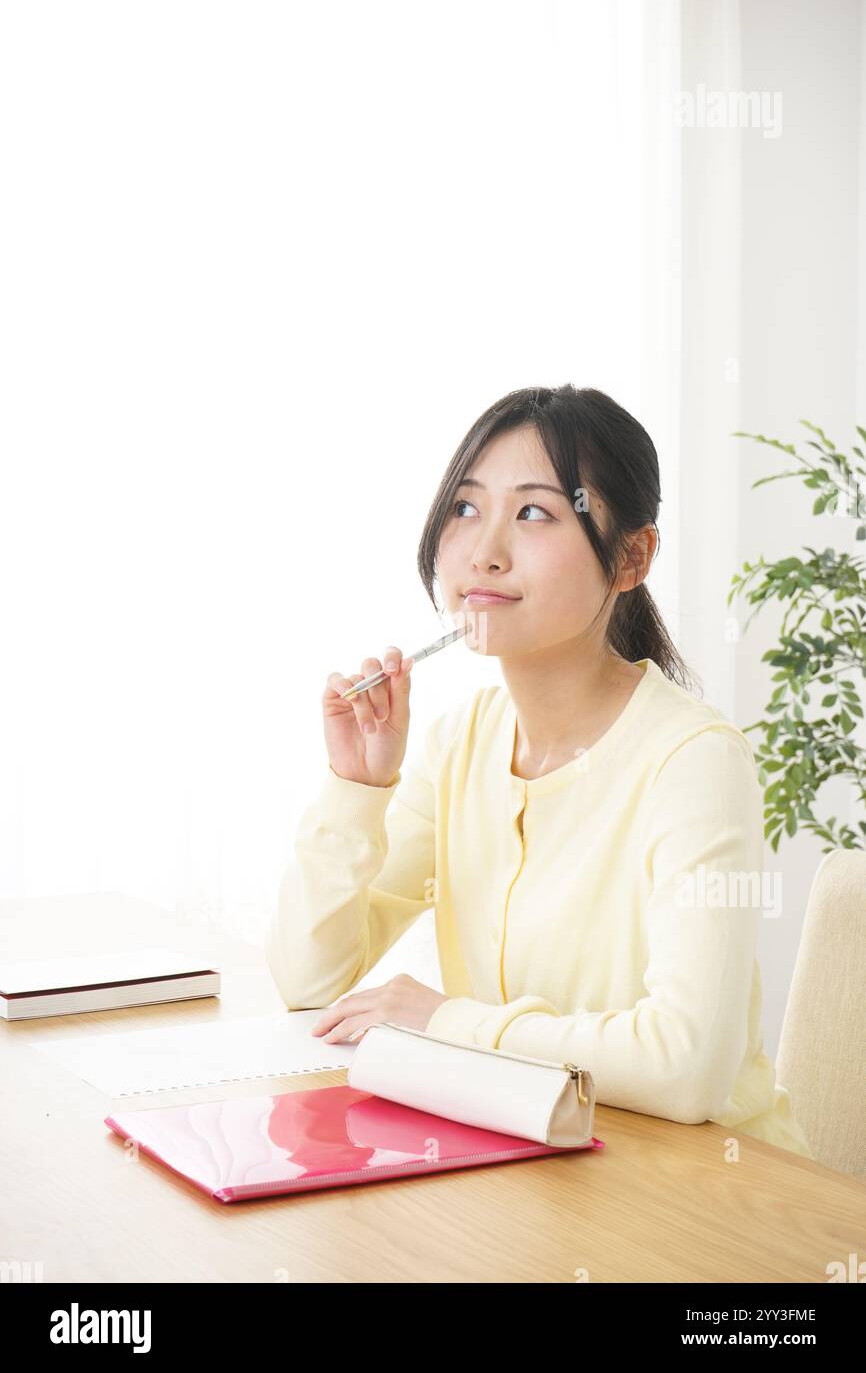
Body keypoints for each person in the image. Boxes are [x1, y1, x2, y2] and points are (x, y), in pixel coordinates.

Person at [264, 383, 814, 1159]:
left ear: (632, 557)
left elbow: (687, 1068)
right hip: (534, 1165)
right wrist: (357, 789)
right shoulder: (461, 744)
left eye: (533, 512)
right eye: (465, 507)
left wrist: (443, 1022)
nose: (484, 549)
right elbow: (307, 981)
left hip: (707, 1193)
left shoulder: (694, 760)